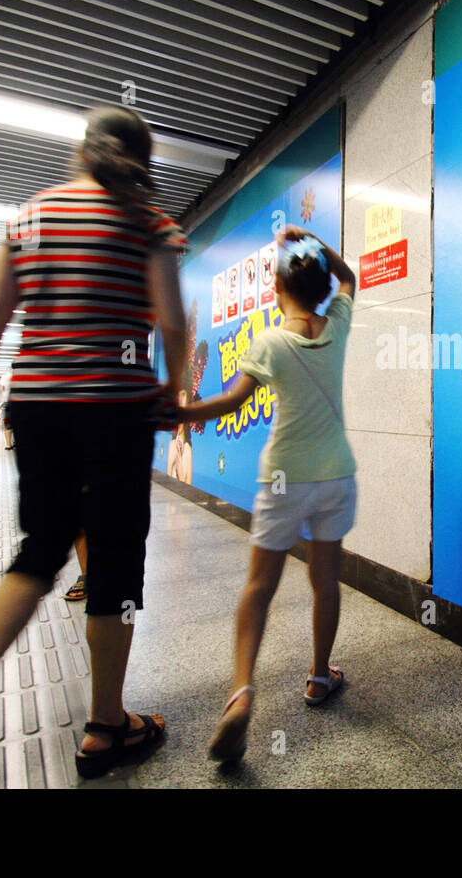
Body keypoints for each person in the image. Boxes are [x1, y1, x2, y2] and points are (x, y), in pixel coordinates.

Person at [0, 105, 189, 780]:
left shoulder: (36, 212)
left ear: (82, 151)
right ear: (143, 157)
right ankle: (107, 724)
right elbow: (171, 318)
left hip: (37, 406)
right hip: (116, 406)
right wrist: (174, 390)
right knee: (115, 561)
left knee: (40, 550)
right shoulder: (147, 219)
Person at [179, 225, 357, 763]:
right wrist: (313, 242)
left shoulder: (270, 343)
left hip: (282, 477)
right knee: (325, 580)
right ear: (322, 288)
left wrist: (179, 413)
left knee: (260, 587)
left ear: (277, 290)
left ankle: (241, 692)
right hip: (336, 476)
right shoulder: (339, 326)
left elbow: (228, 403)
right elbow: (349, 276)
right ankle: (319, 677)